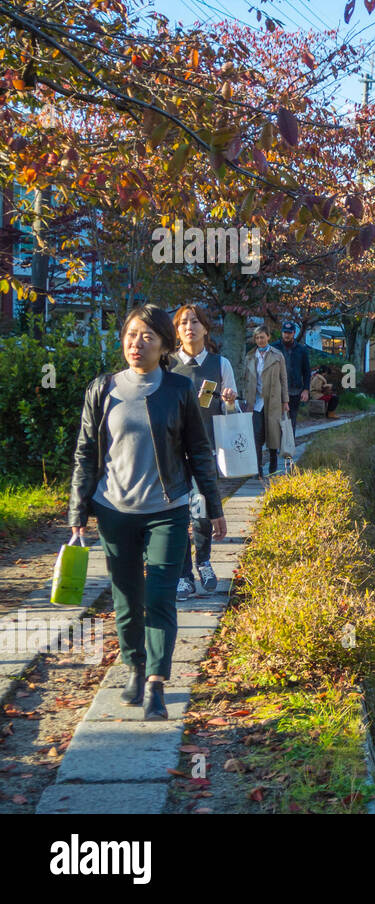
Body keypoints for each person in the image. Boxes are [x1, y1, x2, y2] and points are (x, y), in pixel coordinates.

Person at [69, 304, 225, 721]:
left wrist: (212, 505)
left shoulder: (178, 390)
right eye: (131, 335)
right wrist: (78, 510)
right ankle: (133, 667)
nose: (136, 344)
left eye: (147, 337)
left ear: (164, 345)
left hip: (167, 509)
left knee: (159, 596)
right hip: (114, 510)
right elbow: (86, 453)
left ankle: (157, 681)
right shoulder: (102, 389)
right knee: (126, 598)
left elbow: (199, 451)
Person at [171, 304, 238, 601]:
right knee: (177, 516)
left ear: (206, 328)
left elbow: (230, 412)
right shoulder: (166, 364)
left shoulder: (220, 364)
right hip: (171, 453)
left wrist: (229, 401)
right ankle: (183, 575)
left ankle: (204, 562)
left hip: (205, 451)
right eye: (183, 322)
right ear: (176, 331)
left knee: (201, 513)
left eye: (195, 321)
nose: (190, 327)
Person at [241, 326, 289, 479]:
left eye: (262, 337)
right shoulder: (250, 356)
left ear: (268, 337)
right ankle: (258, 470)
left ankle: (273, 468)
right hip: (255, 402)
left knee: (273, 435)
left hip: (273, 400)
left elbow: (284, 379)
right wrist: (244, 399)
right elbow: (245, 379)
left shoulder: (277, 355)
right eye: (257, 338)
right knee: (256, 436)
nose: (260, 340)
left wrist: (285, 401)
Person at [272, 321, 311, 436]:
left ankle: (289, 447)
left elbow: (307, 371)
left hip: (295, 390)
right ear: (282, 332)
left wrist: (306, 389)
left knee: (291, 419)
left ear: (294, 333)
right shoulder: (274, 348)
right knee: (276, 419)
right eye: (285, 332)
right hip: (277, 390)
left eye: (289, 332)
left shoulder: (301, 350)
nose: (287, 335)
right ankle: (277, 446)